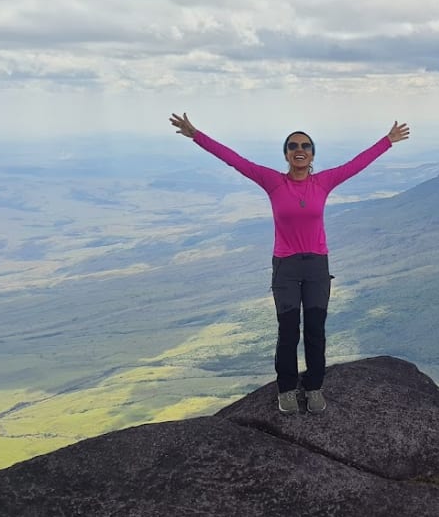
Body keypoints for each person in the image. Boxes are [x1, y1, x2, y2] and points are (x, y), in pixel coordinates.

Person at [168, 112, 410, 414]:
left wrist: (387, 141)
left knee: (315, 329)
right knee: (288, 330)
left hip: (317, 267)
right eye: (293, 145)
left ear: (312, 155)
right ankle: (286, 389)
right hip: (286, 266)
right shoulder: (273, 182)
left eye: (306, 146)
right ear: (286, 154)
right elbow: (235, 160)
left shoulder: (323, 182)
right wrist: (196, 134)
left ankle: (314, 387)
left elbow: (356, 165)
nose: (300, 150)